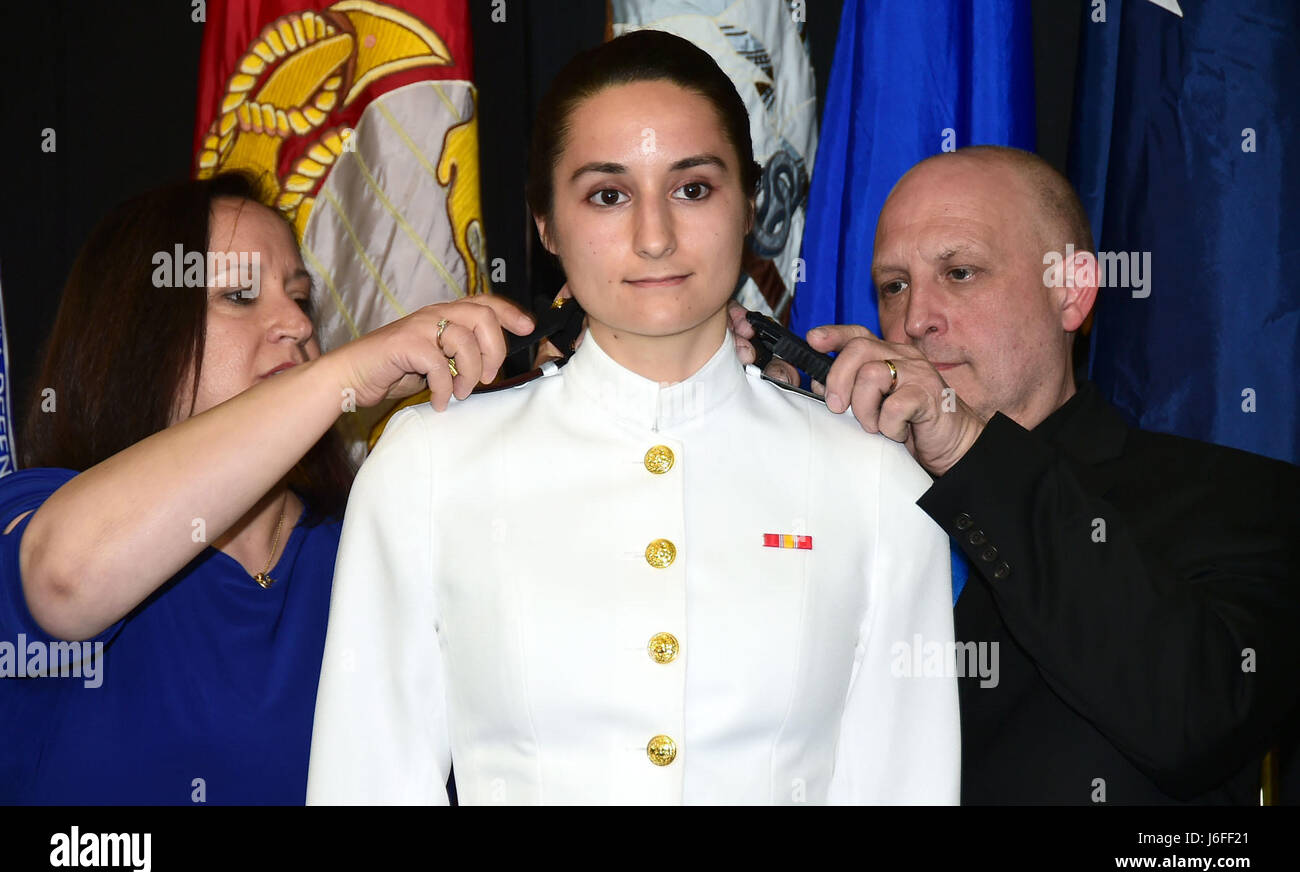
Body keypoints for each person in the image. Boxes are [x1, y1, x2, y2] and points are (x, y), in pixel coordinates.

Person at [306, 30, 959, 806]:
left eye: (693, 189)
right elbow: (367, 782)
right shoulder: (430, 466)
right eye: (608, 196)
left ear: (750, 206)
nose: (655, 238)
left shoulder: (875, 482)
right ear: (546, 225)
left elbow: (905, 784)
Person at [736, 145, 1300, 804]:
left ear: (1072, 291)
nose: (916, 319)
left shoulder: (1243, 500)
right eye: (894, 286)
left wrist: (967, 449)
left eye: (960, 272)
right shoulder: (834, 500)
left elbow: (1198, 720)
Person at [0, 171, 532, 805]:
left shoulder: (368, 539)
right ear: (135, 333)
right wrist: (346, 375)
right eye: (239, 295)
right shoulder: (34, 508)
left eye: (300, 297)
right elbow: (65, 578)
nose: (296, 324)